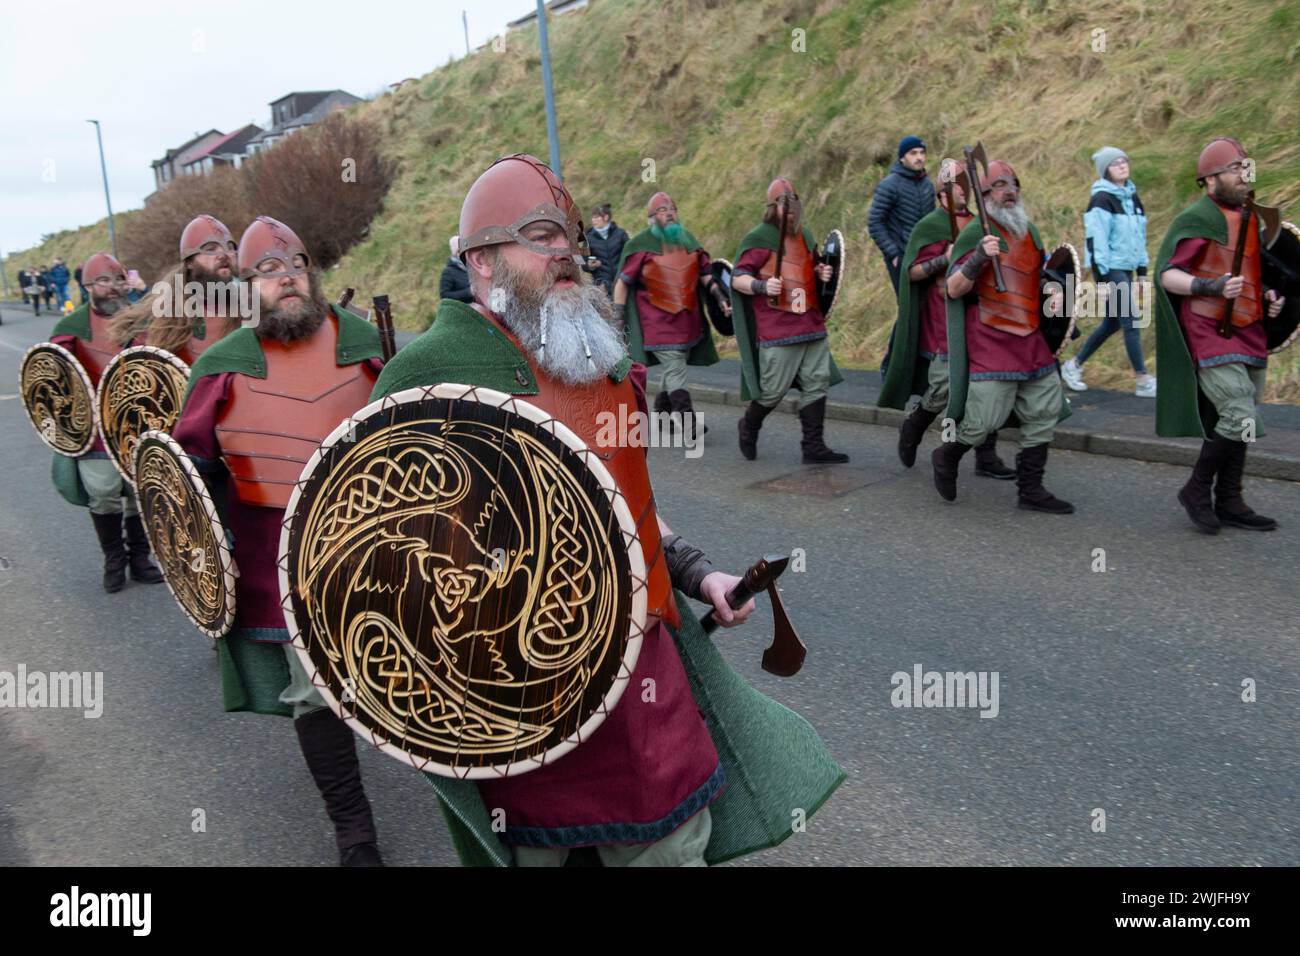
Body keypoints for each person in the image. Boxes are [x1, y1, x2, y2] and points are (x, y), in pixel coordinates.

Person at [370, 153, 843, 866]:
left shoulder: (603, 367)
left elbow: (627, 509)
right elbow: (377, 552)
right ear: (483, 263)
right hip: (513, 691)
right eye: (539, 234)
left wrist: (697, 575)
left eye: (567, 234)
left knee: (672, 850)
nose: (565, 250)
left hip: (637, 672)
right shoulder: (426, 378)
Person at [171, 216, 386, 866]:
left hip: (385, 546)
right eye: (267, 269)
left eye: (294, 262)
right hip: (286, 562)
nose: (286, 275)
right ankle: (355, 832)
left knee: (419, 681)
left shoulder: (365, 342)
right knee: (314, 692)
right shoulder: (221, 365)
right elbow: (186, 476)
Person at [1155, 137, 1287, 534]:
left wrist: (1266, 298)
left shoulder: (1248, 217)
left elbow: (1246, 271)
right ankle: (1196, 489)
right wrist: (1210, 288)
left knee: (1243, 419)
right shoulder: (1197, 217)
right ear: (1210, 179)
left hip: (1249, 330)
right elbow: (1167, 274)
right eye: (1235, 169)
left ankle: (1230, 499)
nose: (1244, 176)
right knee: (1239, 413)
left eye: (1246, 168)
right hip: (1210, 330)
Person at [933, 157, 1074, 514]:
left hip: (1030, 337)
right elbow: (952, 289)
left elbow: (1037, 275)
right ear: (984, 194)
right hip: (992, 337)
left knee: (1044, 411)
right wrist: (978, 256)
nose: (1010, 191)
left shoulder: (1029, 231)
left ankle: (1031, 490)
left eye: (1014, 185)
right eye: (1000, 186)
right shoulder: (974, 232)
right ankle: (947, 454)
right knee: (984, 420)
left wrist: (1054, 291)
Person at [879, 159, 1014, 478]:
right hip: (943, 317)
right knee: (943, 387)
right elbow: (910, 273)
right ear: (942, 192)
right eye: (955, 186)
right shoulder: (929, 226)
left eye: (965, 186)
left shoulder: (982, 223)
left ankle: (986, 457)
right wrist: (944, 257)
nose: (962, 191)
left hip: (980, 312)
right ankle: (914, 425)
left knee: (985, 385)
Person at [48, 252, 166, 591]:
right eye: (104, 281)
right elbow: (53, 380)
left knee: (138, 492)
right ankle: (114, 559)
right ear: (87, 286)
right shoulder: (70, 329)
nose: (113, 288)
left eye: (118, 280)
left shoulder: (141, 320)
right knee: (103, 492)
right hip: (95, 426)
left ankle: (140, 558)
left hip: (138, 422)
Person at [731, 177, 850, 464]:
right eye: (784, 203)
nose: (791, 209)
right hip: (779, 328)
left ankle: (814, 446)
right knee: (773, 391)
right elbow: (738, 278)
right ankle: (749, 425)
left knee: (817, 383)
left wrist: (820, 271)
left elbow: (810, 265)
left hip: (810, 323)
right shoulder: (758, 239)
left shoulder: (805, 235)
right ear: (772, 208)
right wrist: (761, 286)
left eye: (794, 202)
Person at [614, 191, 729, 439]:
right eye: (662, 210)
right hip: (657, 324)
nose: (669, 213)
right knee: (675, 368)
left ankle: (662, 413)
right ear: (652, 218)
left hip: (688, 323)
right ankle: (687, 422)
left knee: (673, 369)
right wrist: (618, 318)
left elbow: (707, 275)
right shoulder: (641, 246)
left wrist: (721, 299)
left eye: (672, 209)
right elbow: (623, 283)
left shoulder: (688, 241)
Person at [1060, 147, 1155, 397]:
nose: (1123, 165)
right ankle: (1143, 379)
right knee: (1132, 321)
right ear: (1105, 170)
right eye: (1115, 163)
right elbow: (1096, 240)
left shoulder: (1133, 198)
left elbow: (1140, 238)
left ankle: (1073, 365)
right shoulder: (1101, 199)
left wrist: (1143, 270)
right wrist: (1102, 276)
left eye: (1124, 161)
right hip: (1110, 269)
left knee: (1113, 323)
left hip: (1128, 268)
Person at [108, 214, 243, 363]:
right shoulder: (161, 319)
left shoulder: (249, 307)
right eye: (211, 249)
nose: (223, 255)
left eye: (229, 247)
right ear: (190, 262)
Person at [584, 203, 628, 296]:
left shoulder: (620, 234)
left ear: (606, 217)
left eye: (596, 217)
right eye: (592, 217)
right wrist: (590, 265)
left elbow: (630, 254)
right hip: (602, 285)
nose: (593, 220)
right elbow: (583, 262)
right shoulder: (588, 238)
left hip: (622, 281)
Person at [439, 237, 474, 303]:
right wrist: (469, 292)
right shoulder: (448, 272)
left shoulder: (473, 266)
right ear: (455, 253)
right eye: (459, 250)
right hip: (463, 310)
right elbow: (444, 295)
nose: (464, 252)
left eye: (465, 249)